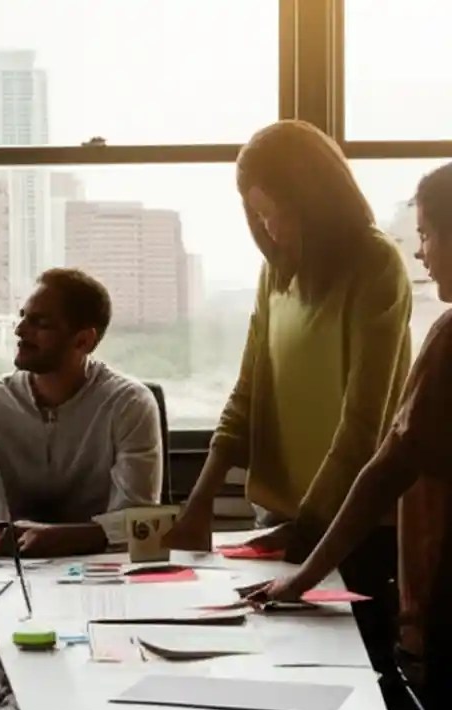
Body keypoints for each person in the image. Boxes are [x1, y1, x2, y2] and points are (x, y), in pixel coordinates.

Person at [164, 121, 411, 660]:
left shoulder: (376, 266)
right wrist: (199, 500)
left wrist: (307, 532)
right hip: (277, 524)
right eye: (258, 216)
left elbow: (362, 426)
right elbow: (247, 394)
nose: (269, 229)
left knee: (347, 683)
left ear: (317, 200)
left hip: (348, 530)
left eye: (278, 212)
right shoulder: (274, 273)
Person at [248, 162, 452, 710]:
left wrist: (306, 572)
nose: (421, 252)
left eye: (429, 233)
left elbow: (389, 465)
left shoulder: (449, 338)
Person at [0, 268, 163, 558]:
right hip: (8, 569)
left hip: (102, 572)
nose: (20, 330)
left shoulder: (129, 404)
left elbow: (139, 520)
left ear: (83, 341)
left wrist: (67, 538)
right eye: (23, 316)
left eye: (40, 323)